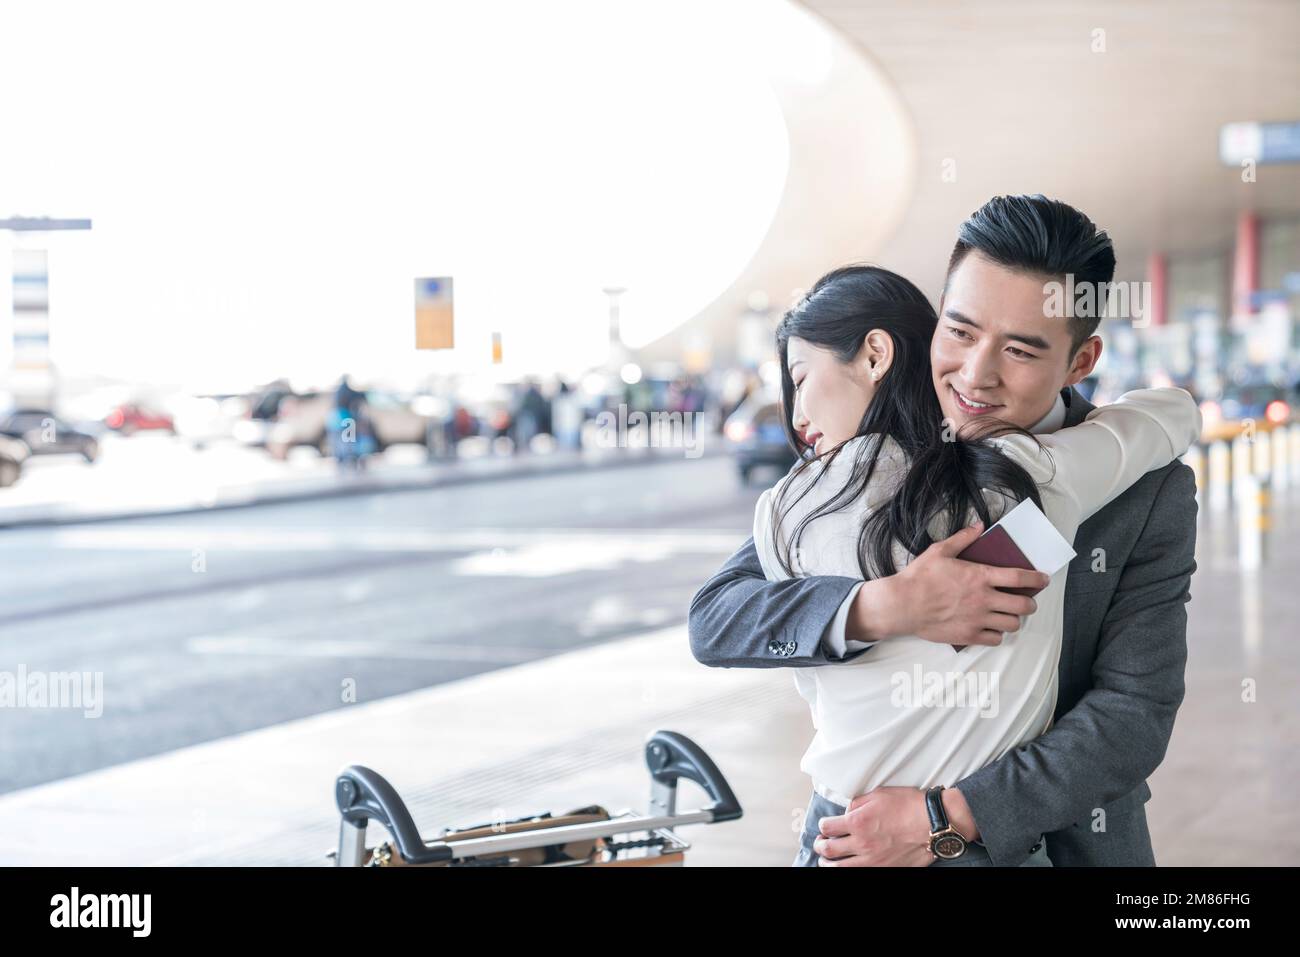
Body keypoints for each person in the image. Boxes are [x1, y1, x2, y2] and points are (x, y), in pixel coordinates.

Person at [689, 195, 1200, 866]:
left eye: (1019, 350)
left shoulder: (1146, 485)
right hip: (849, 837)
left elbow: (1133, 713)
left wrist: (940, 817)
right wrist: (887, 605)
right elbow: (719, 618)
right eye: (959, 332)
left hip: (1053, 845)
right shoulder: (873, 447)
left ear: (1081, 361)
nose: (974, 375)